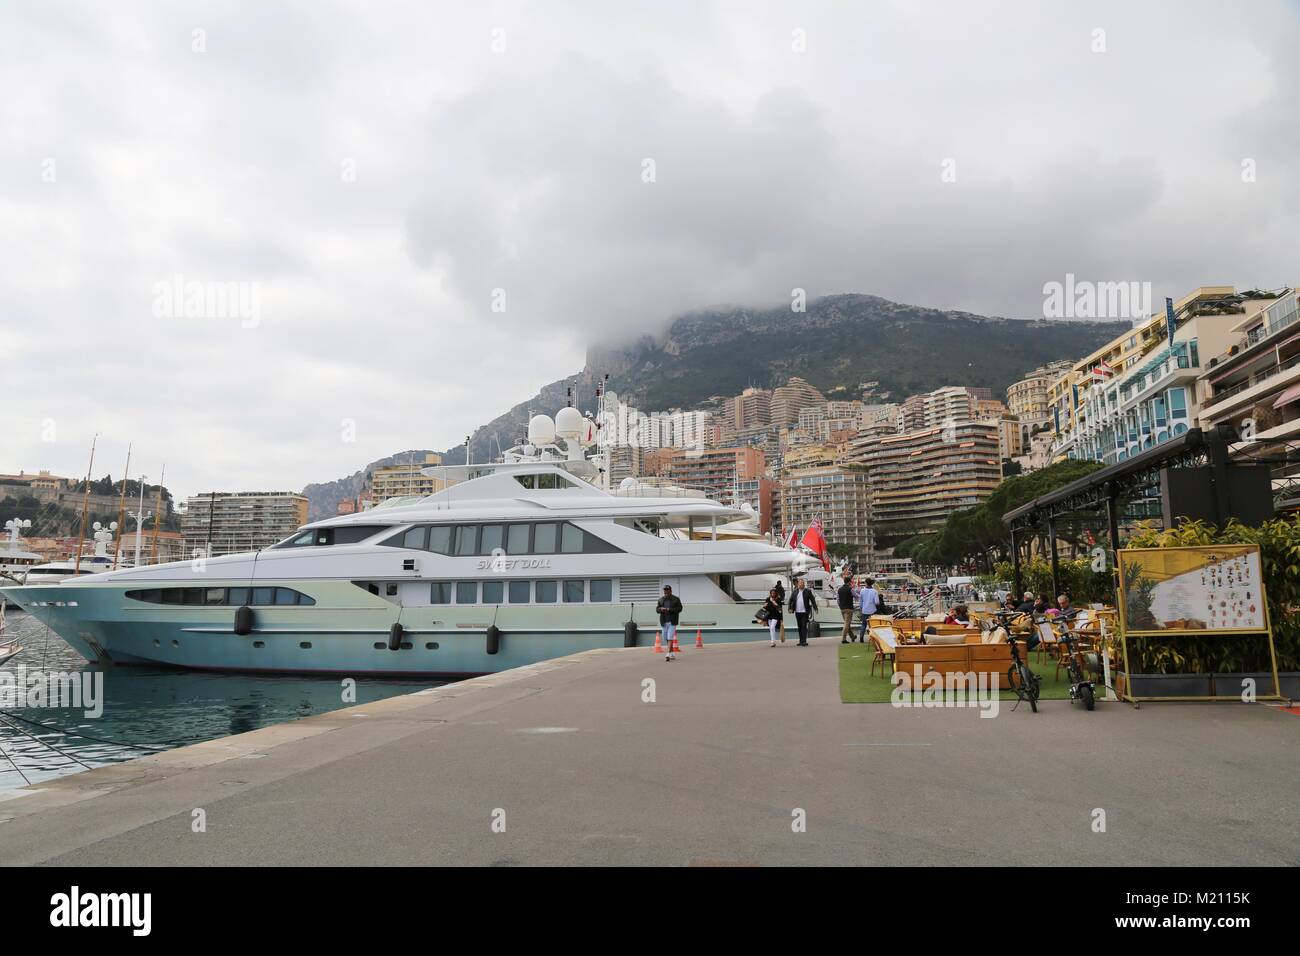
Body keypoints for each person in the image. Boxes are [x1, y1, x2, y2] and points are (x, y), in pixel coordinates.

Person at [656, 584, 683, 661]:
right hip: (664, 622)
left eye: (667, 591)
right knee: (666, 638)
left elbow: (680, 608)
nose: (666, 593)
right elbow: (657, 609)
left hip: (672, 621)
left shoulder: (676, 599)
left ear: (671, 591)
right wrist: (661, 609)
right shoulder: (661, 600)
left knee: (670, 637)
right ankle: (671, 652)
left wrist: (669, 609)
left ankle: (667, 653)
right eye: (665, 592)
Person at [788, 578, 818, 646]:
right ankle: (800, 641)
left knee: (804, 626)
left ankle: (804, 641)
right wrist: (789, 608)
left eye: (803, 583)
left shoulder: (808, 591)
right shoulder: (795, 592)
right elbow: (790, 600)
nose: (801, 584)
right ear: (798, 584)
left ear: (804, 585)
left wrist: (815, 608)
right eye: (800, 583)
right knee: (799, 626)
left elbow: (812, 600)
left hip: (805, 612)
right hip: (797, 612)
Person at [856, 577, 881, 643]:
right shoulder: (875, 591)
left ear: (866, 583)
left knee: (863, 624)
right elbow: (877, 602)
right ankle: (873, 638)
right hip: (873, 610)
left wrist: (861, 609)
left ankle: (861, 637)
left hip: (864, 610)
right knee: (873, 625)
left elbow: (860, 602)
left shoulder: (862, 591)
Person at [836, 574, 857, 644]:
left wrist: (840, 606)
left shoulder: (839, 589)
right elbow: (856, 596)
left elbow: (838, 600)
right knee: (847, 623)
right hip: (849, 608)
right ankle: (843, 639)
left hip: (842, 608)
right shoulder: (850, 589)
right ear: (849, 582)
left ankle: (852, 636)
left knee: (847, 623)